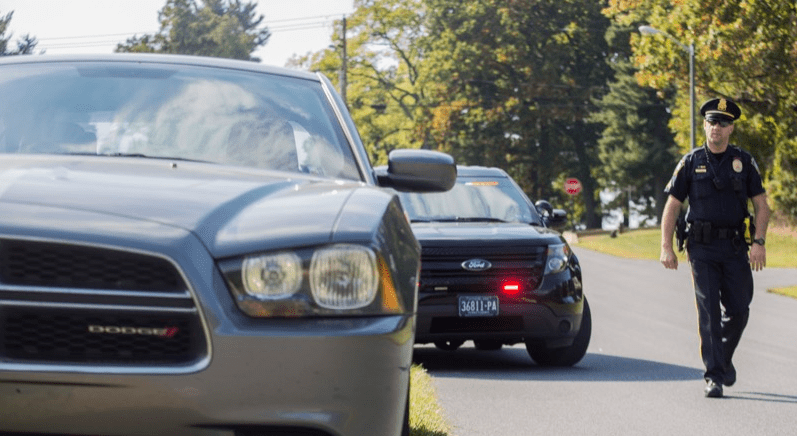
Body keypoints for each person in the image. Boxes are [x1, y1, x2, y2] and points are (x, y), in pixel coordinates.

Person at [660, 97, 771, 398]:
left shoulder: (744, 162)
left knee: (739, 310)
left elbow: (761, 206)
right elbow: (672, 206)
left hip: (735, 247)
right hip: (702, 248)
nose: (716, 128)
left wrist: (758, 242)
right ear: (705, 125)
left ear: (731, 127)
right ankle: (714, 376)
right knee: (708, 312)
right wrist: (666, 247)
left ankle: (721, 358)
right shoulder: (691, 161)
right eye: (711, 122)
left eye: (722, 123)